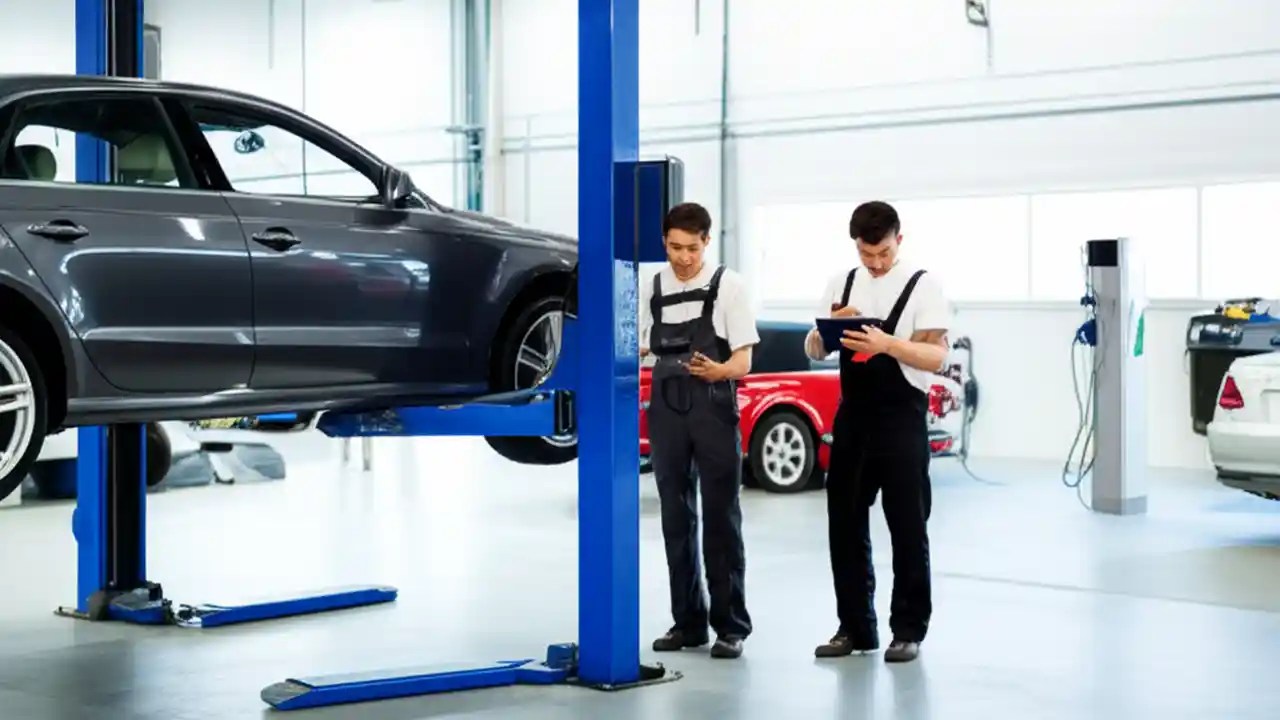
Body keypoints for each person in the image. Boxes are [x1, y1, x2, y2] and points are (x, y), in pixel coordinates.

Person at [805, 200, 952, 664]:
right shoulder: (842, 282)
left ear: (898, 240)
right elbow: (813, 346)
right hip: (853, 417)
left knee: (908, 524)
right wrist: (830, 329)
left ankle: (907, 629)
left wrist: (886, 343)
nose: (875, 263)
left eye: (883, 253)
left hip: (901, 417)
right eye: (867, 254)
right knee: (843, 522)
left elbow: (937, 357)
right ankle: (855, 627)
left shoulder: (923, 285)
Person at [639, 202, 759, 660]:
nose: (683, 257)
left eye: (691, 248)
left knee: (721, 516)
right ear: (664, 243)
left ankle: (731, 626)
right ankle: (687, 622)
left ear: (707, 242)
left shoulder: (729, 285)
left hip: (713, 405)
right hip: (666, 409)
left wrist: (719, 371)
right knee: (674, 514)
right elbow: (644, 347)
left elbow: (744, 361)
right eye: (674, 247)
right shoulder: (652, 285)